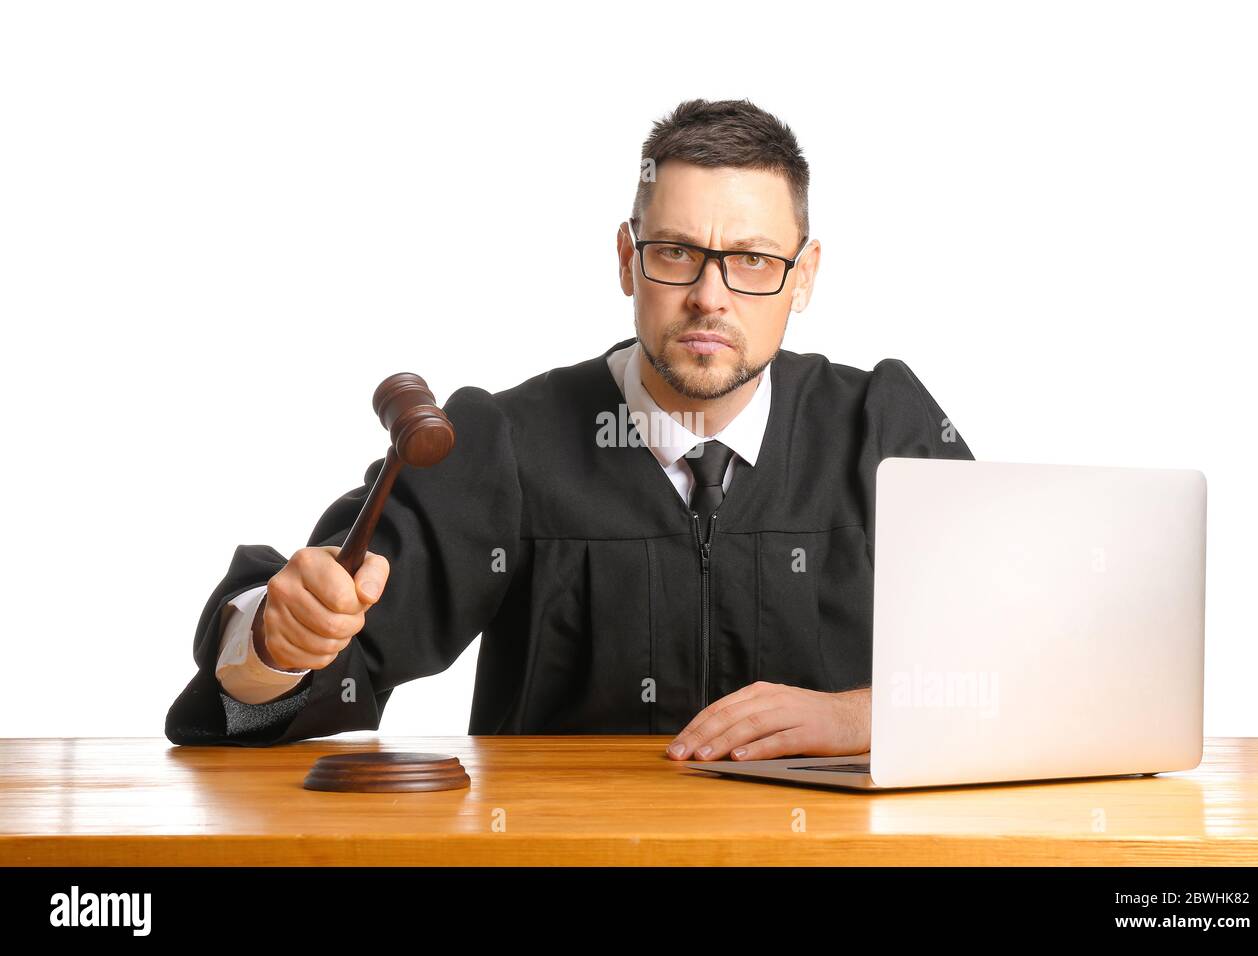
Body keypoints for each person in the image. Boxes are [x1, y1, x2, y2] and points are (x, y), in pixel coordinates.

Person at [165, 98, 973, 763]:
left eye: (754, 261)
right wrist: (275, 639)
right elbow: (304, 670)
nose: (710, 296)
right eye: (676, 252)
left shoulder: (883, 433)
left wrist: (864, 719)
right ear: (626, 259)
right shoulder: (507, 445)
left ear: (805, 276)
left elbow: (1031, 663)